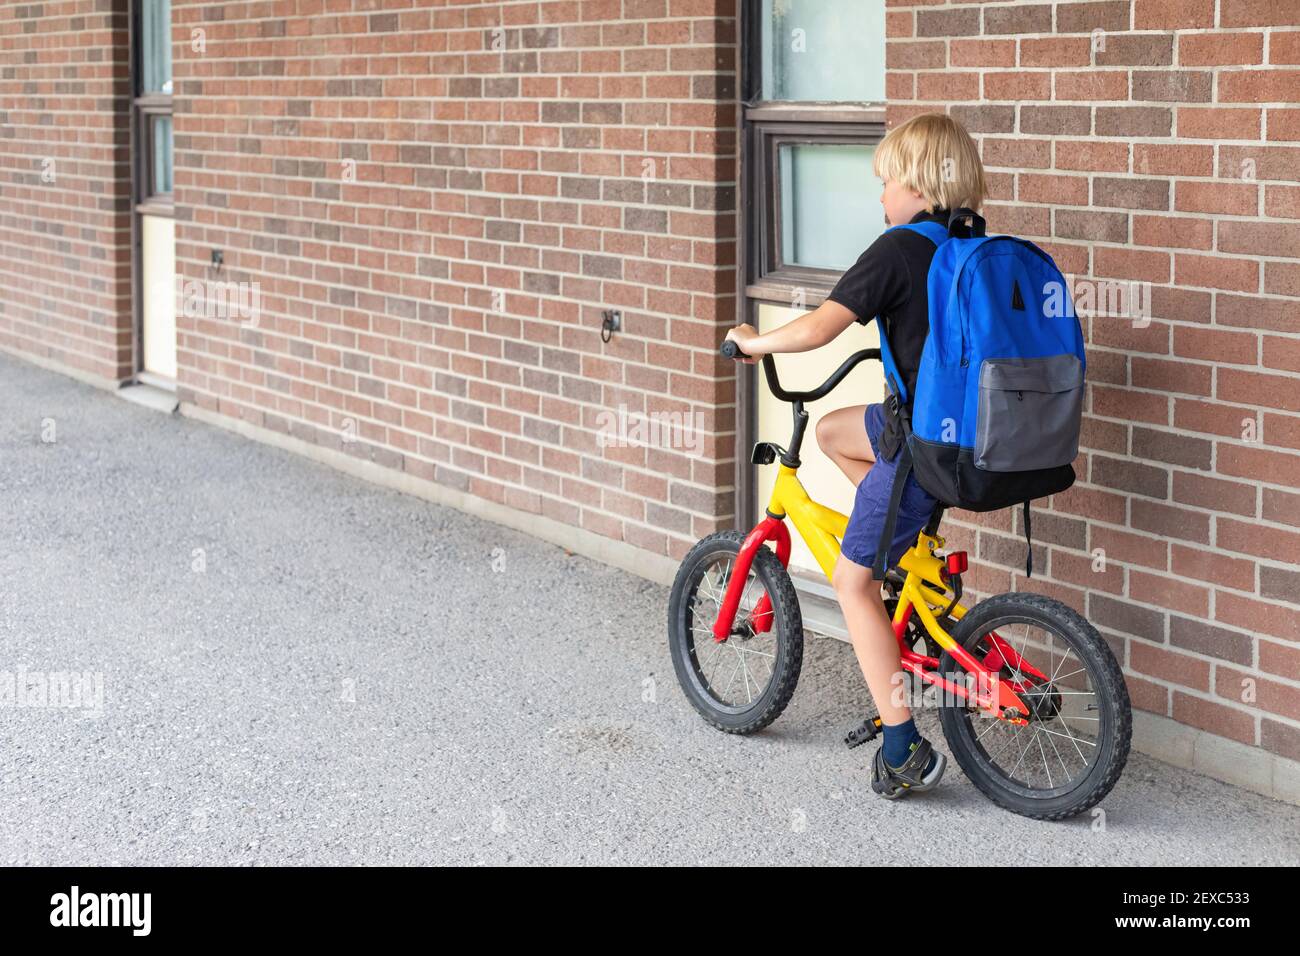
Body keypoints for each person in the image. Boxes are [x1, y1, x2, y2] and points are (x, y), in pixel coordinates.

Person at [723, 112, 988, 798]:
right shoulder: (968, 246)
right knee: (836, 430)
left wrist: (753, 344)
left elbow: (817, 328)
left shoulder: (900, 247)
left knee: (849, 584)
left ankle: (902, 748)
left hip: (921, 448)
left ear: (919, 183)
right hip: (970, 438)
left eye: (887, 180)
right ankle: (904, 553)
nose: (880, 196)